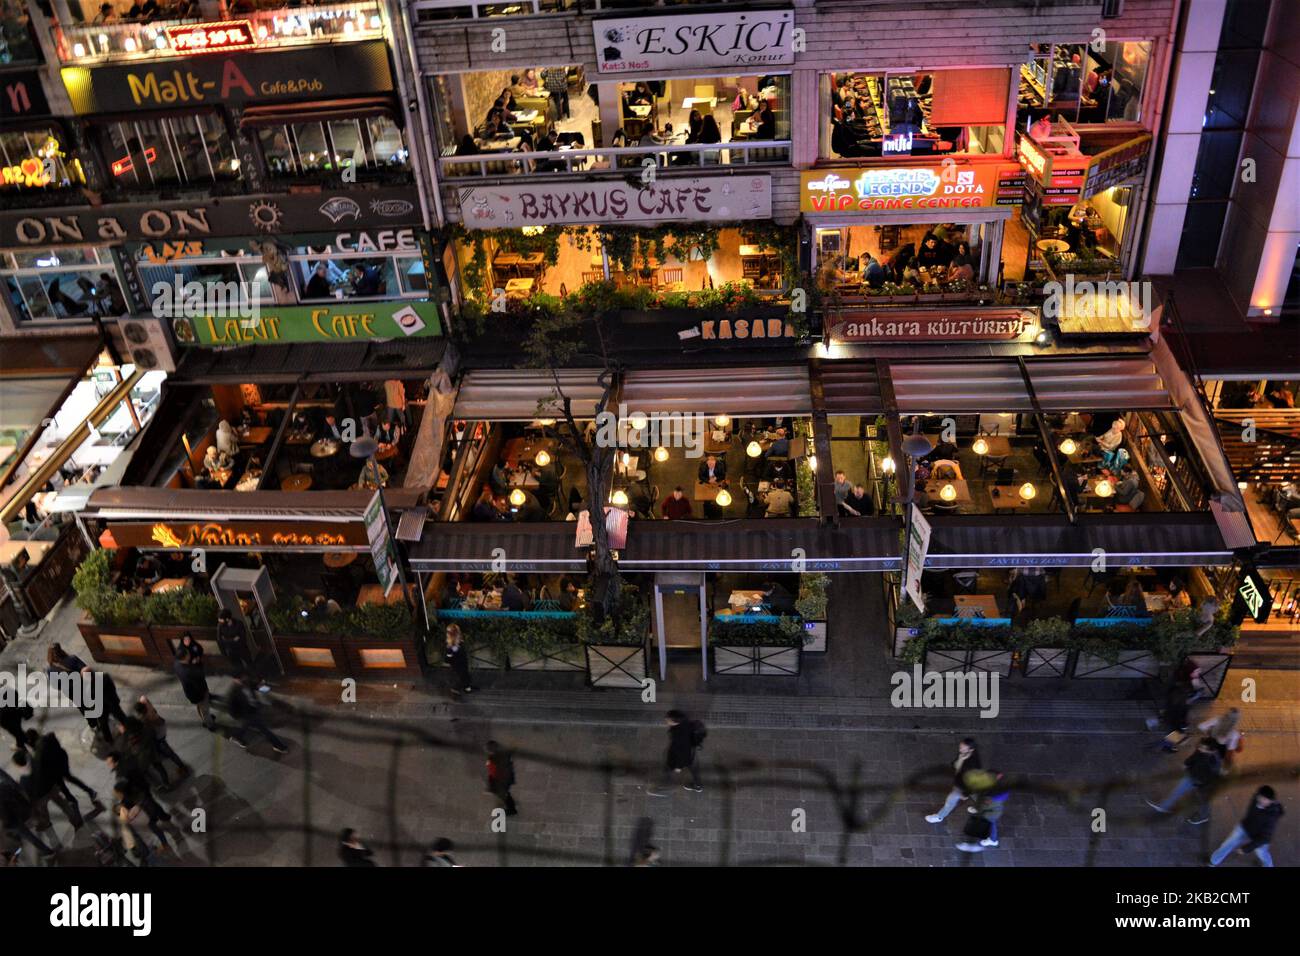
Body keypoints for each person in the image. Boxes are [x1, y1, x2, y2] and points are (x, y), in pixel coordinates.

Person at [107, 750, 172, 853]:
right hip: (144, 788)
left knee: (151, 823)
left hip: (140, 797)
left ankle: (165, 844)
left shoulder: (120, 774)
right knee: (153, 804)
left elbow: (124, 787)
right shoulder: (128, 761)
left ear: (115, 761)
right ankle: (165, 817)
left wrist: (121, 798)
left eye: (109, 762)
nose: (108, 765)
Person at [1146, 738, 1222, 824]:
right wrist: (1187, 763)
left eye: (1203, 748)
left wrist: (1203, 786)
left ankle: (1204, 816)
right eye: (1200, 746)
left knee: (1203, 801)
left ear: (1210, 751)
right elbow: (1194, 756)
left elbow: (1212, 777)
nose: (1200, 748)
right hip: (1192, 776)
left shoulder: (1214, 762)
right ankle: (1164, 806)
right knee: (1178, 791)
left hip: (1201, 782)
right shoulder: (1201, 751)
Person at [1209, 786, 1283, 867]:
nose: (1262, 801)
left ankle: (1268, 865)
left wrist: (1246, 849)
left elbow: (1265, 837)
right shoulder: (1255, 800)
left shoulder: (1272, 815)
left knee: (1262, 853)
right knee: (1228, 843)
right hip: (1246, 826)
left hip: (1259, 836)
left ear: (1271, 800)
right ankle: (1214, 861)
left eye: (1266, 800)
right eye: (1261, 798)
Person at [25, 729, 97, 808]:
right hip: (61, 760)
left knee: (61, 783)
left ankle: (72, 799)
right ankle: (86, 792)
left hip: (55, 767)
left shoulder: (39, 751)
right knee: (68, 779)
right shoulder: (48, 737)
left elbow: (42, 765)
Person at [227, 674, 288, 754]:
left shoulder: (246, 682)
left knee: (247, 725)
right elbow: (231, 708)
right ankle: (278, 745)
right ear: (235, 680)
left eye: (242, 677)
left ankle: (236, 737)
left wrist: (264, 688)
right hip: (247, 714)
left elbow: (256, 686)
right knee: (264, 729)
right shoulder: (233, 692)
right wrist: (239, 717)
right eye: (240, 678)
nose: (243, 679)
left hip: (254, 710)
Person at [647, 710, 703, 795]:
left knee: (668, 770)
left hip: (680, 757)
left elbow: (683, 752)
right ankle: (698, 785)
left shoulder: (679, 736)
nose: (666, 720)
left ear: (675, 722)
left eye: (668, 720)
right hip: (692, 752)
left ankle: (664, 788)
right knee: (694, 769)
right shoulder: (685, 721)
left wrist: (679, 766)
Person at [925, 738, 981, 822]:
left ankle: (939, 816)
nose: (960, 749)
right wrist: (960, 759)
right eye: (960, 746)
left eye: (963, 748)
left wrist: (965, 794)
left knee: (950, 801)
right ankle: (979, 807)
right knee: (977, 795)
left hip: (963, 786)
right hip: (963, 783)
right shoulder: (963, 754)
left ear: (971, 750)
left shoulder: (973, 764)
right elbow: (955, 766)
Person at [135, 698, 190, 784]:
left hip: (159, 737)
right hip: (161, 733)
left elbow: (151, 731)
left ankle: (183, 768)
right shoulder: (150, 710)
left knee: (169, 753)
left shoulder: (146, 718)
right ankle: (181, 766)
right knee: (168, 752)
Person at [955, 770, 1011, 852]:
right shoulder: (998, 787)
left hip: (989, 809)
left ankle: (975, 845)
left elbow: (984, 802)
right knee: (990, 821)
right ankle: (992, 840)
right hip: (992, 808)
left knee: (980, 825)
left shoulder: (992, 798)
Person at [218, 609, 269, 692]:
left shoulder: (238, 624)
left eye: (221, 619)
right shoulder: (220, 626)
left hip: (242, 649)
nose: (219, 621)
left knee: (250, 665)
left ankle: (259, 680)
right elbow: (220, 640)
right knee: (237, 666)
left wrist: (227, 640)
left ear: (227, 619)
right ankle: (245, 682)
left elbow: (242, 639)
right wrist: (232, 640)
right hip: (231, 652)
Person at [174, 636, 217, 731]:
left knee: (200, 707)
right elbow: (199, 679)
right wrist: (205, 692)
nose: (189, 654)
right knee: (205, 708)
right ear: (185, 657)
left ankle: (205, 719)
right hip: (199, 693)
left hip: (190, 693)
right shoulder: (190, 670)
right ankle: (210, 724)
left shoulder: (177, 664)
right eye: (188, 654)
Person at [83, 666, 128, 744]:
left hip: (108, 704)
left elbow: (111, 688)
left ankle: (129, 729)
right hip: (104, 705)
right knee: (105, 724)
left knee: (118, 717)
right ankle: (109, 740)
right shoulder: (101, 678)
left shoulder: (101, 679)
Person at [484, 740, 518, 816]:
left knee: (504, 795)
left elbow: (494, 773)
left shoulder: (493, 759)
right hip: (506, 779)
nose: (487, 751)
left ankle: (511, 809)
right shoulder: (503, 754)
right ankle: (510, 804)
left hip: (501, 781)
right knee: (505, 794)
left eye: (488, 750)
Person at [444, 624, 474, 696]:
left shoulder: (454, 645)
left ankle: (462, 688)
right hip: (460, 664)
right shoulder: (455, 644)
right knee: (463, 675)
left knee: (463, 676)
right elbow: (448, 659)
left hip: (459, 663)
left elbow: (448, 659)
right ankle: (462, 688)